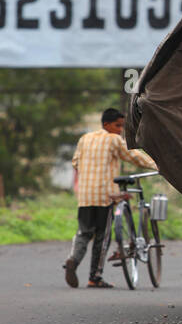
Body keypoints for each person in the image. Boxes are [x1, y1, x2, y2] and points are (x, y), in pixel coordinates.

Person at [63, 108, 158, 289]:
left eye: (122, 126)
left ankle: (73, 260)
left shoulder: (85, 139)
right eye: (117, 125)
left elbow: (75, 163)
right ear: (106, 124)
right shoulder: (113, 140)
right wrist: (157, 165)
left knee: (84, 233)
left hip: (85, 196)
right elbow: (133, 156)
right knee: (102, 237)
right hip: (105, 196)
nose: (120, 130)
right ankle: (95, 277)